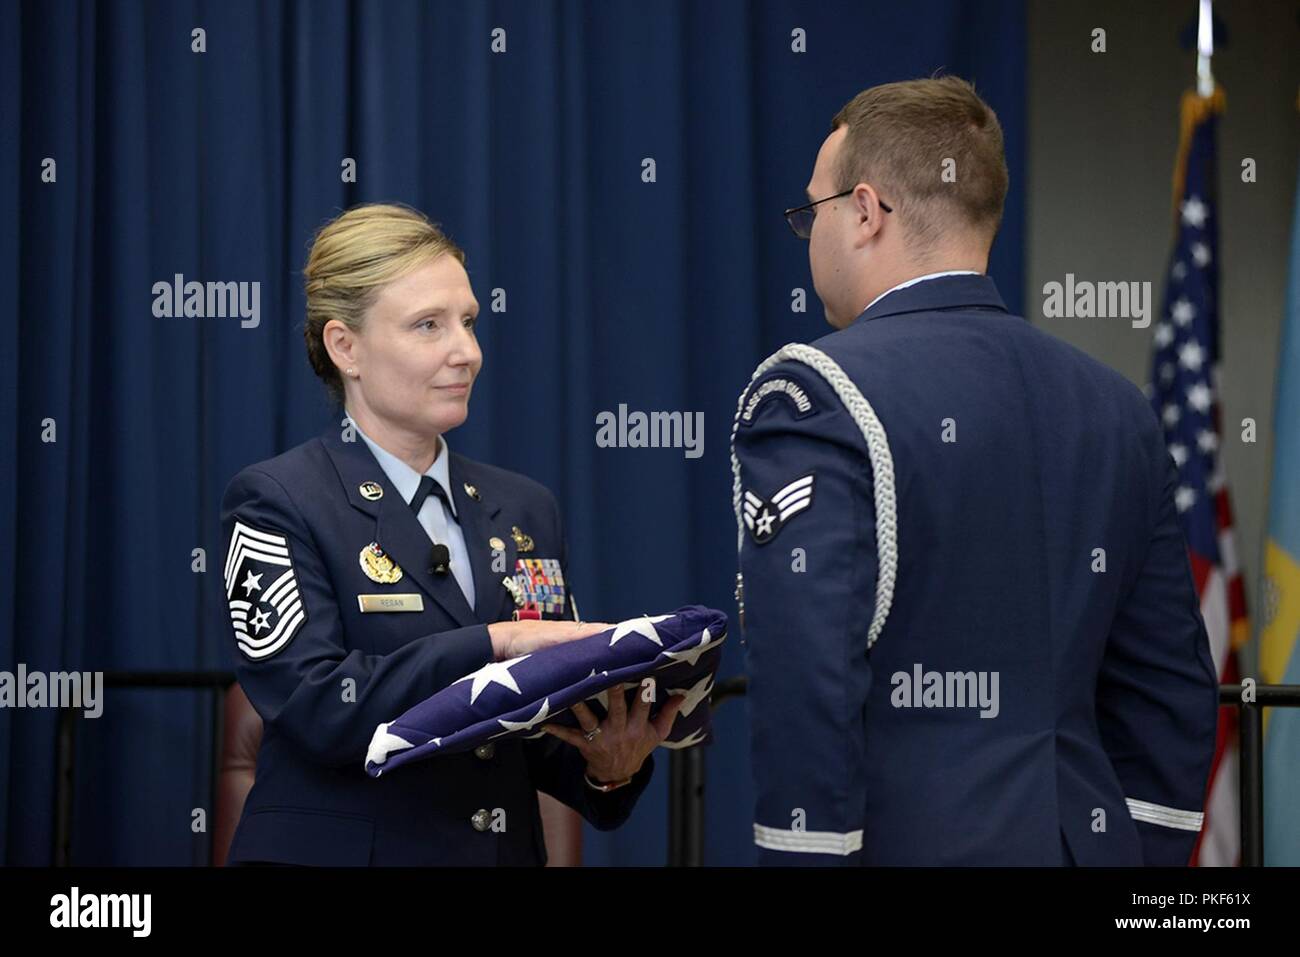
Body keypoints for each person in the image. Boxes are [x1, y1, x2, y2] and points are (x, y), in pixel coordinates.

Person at [731, 77, 1219, 865]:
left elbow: (808, 687)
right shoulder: (1116, 406)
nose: (807, 235)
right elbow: (1171, 690)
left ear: (864, 211)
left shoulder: (813, 393)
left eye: (810, 212)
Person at [219, 203, 679, 865]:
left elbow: (542, 728)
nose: (466, 351)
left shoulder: (525, 507)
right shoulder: (276, 499)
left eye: (468, 322)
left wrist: (610, 762)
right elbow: (317, 705)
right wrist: (497, 643)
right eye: (427, 325)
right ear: (344, 346)